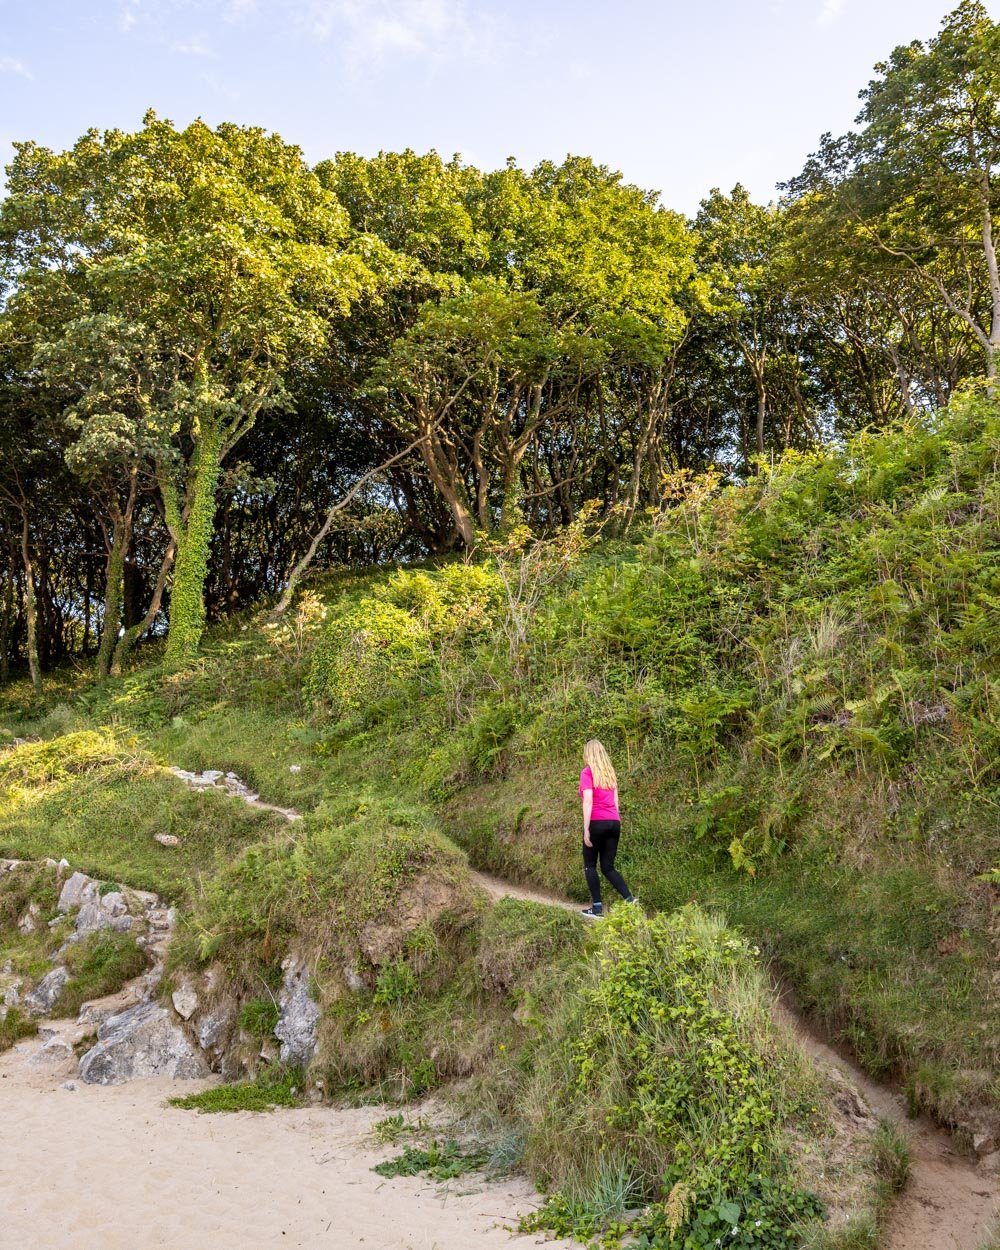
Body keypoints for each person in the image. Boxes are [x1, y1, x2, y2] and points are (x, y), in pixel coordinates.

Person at [578, 739, 636, 918]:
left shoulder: (588, 772)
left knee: (589, 865)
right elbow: (616, 803)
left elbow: (588, 800)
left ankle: (596, 908)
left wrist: (586, 828)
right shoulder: (610, 773)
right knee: (608, 867)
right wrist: (615, 821)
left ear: (588, 754)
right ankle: (629, 899)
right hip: (614, 822)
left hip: (597, 822)